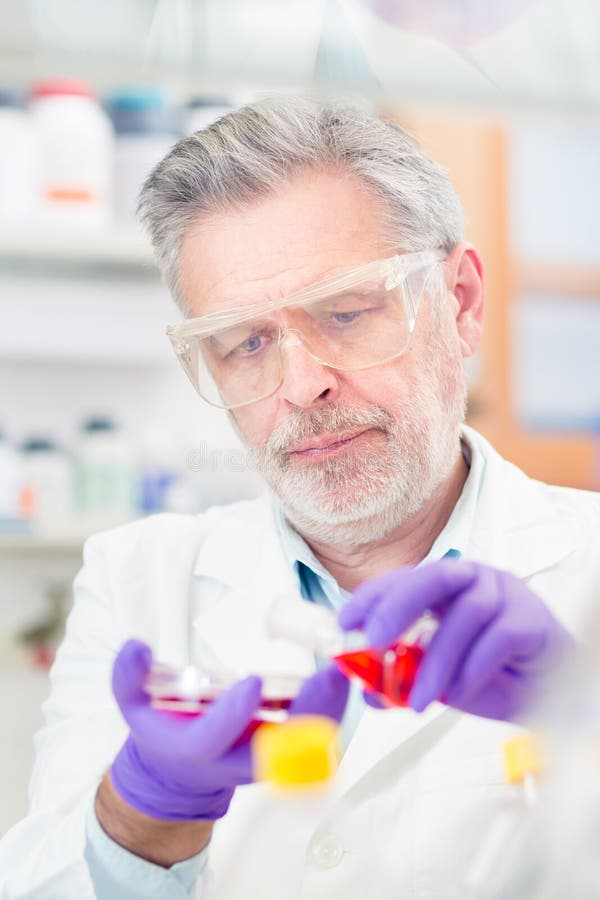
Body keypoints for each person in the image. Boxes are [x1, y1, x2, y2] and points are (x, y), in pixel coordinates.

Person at [1, 96, 599, 900]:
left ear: (460, 302)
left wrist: (586, 719)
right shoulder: (136, 579)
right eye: (245, 342)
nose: (300, 385)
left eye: (345, 314)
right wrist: (139, 823)